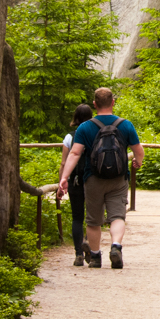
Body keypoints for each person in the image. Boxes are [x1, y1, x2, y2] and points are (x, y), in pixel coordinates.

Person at [57, 87, 145, 269]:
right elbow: (139, 151)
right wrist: (138, 162)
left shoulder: (85, 127)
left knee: (93, 220)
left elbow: (74, 153)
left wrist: (64, 177)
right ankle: (116, 246)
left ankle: (96, 257)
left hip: (93, 178)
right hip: (118, 179)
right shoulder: (126, 125)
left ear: (95, 104)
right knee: (117, 216)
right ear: (113, 102)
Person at [60, 103, 93, 267]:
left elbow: (64, 162)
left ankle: (78, 254)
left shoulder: (69, 137)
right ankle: (89, 244)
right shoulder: (96, 133)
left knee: (77, 218)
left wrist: (62, 182)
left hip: (75, 181)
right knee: (93, 217)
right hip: (93, 180)